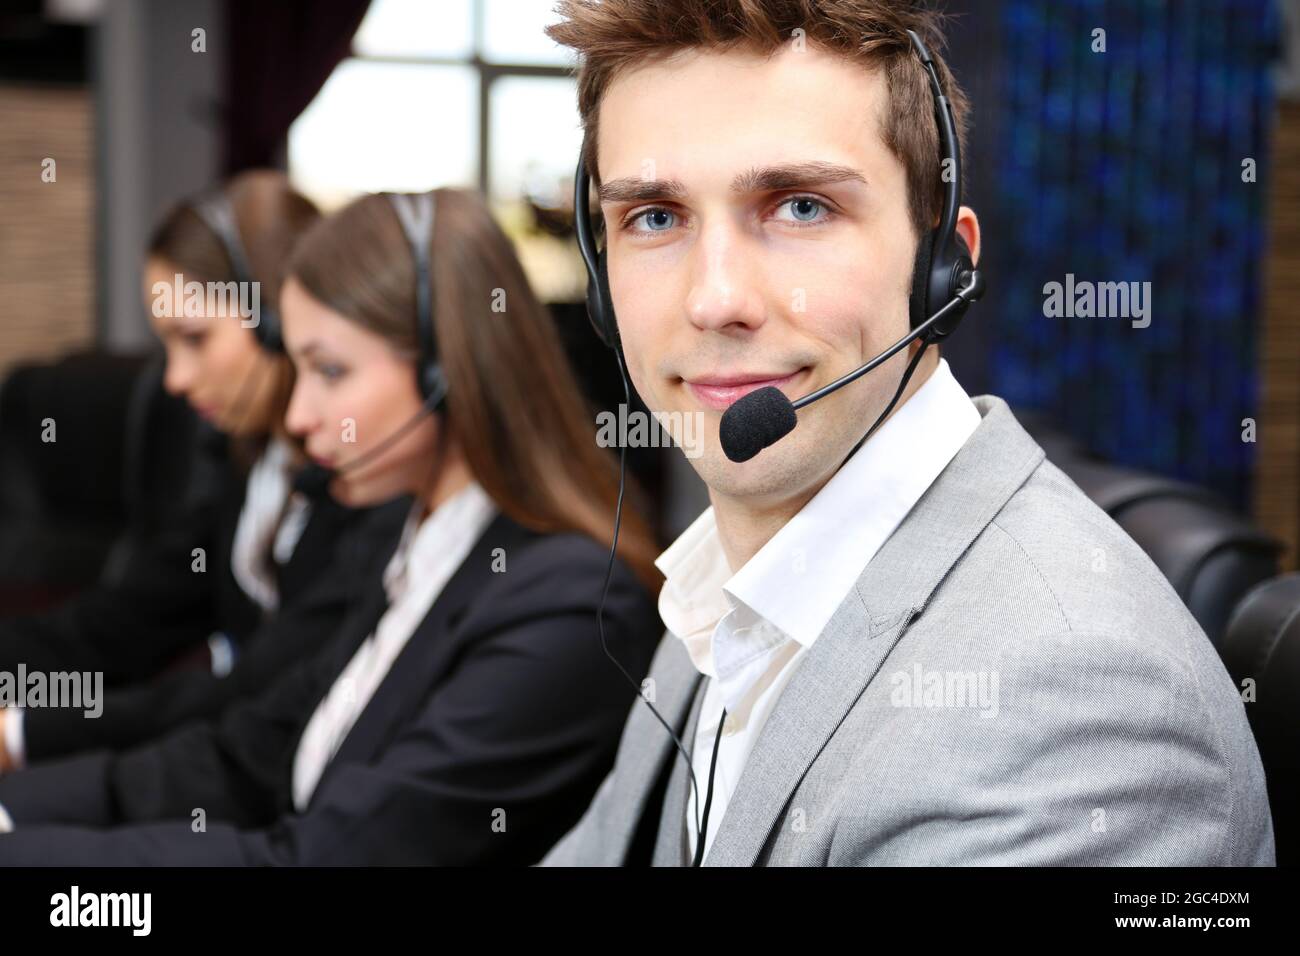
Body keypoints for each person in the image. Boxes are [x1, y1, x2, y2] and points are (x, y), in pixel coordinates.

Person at [540, 0, 1273, 866]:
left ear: (943, 269)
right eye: (654, 217)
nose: (714, 301)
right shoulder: (725, 590)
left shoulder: (1074, 716)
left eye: (800, 207)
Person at [0, 188, 664, 865]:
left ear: (445, 370)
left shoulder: (568, 607)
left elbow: (324, 858)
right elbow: (251, 756)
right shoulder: (422, 543)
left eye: (331, 370)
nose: (298, 416)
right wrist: (13, 814)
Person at [0, 170, 405, 772]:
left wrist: (21, 735)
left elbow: (254, 692)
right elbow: (128, 620)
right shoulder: (244, 461)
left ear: (278, 321)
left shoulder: (371, 486)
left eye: (194, 338)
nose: (175, 379)